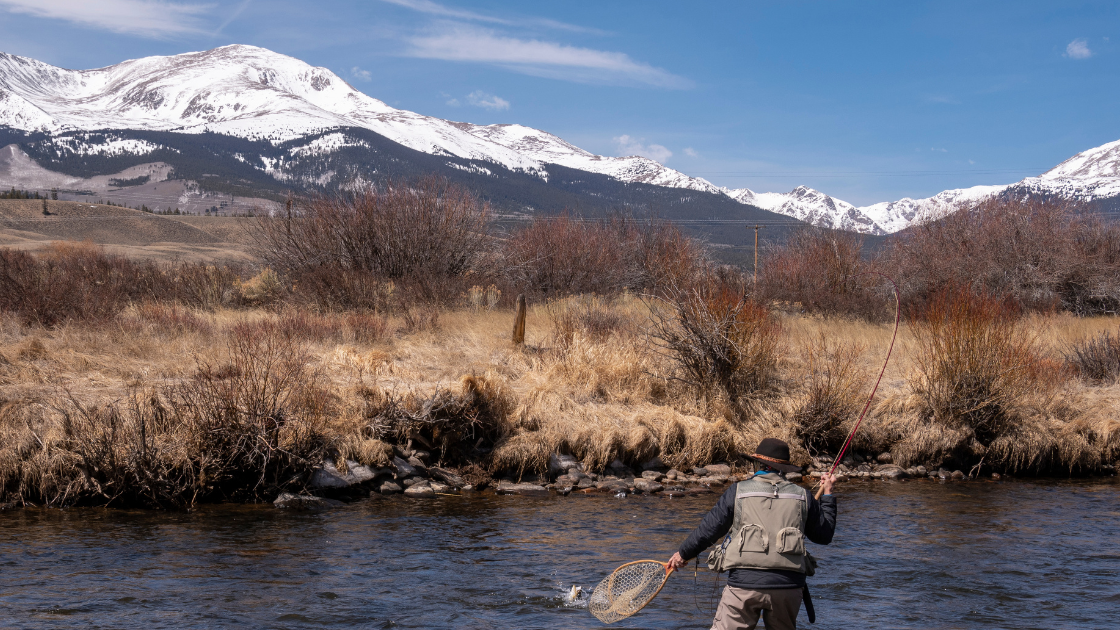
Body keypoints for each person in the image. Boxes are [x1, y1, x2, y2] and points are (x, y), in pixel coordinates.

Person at [667, 438, 837, 630]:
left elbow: (708, 531)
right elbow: (825, 536)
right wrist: (828, 495)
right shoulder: (803, 496)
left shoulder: (737, 492)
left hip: (744, 586)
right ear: (784, 469)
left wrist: (683, 554)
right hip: (788, 588)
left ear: (759, 465)